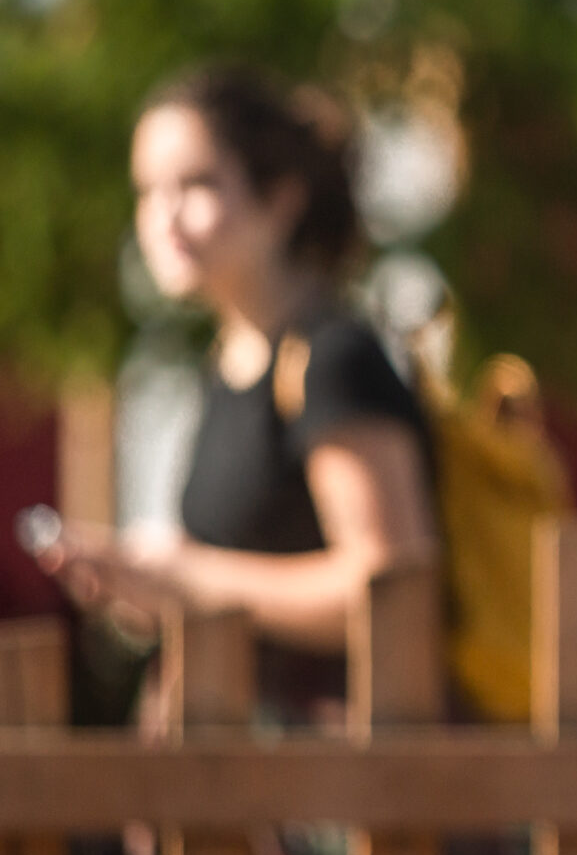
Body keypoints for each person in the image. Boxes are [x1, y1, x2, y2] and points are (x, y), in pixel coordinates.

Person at [41, 67, 440, 697]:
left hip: (349, 776)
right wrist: (145, 588)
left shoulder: (333, 359)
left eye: (197, 184)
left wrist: (192, 578)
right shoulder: (225, 367)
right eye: (147, 191)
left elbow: (392, 589)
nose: (163, 218)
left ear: (282, 199)